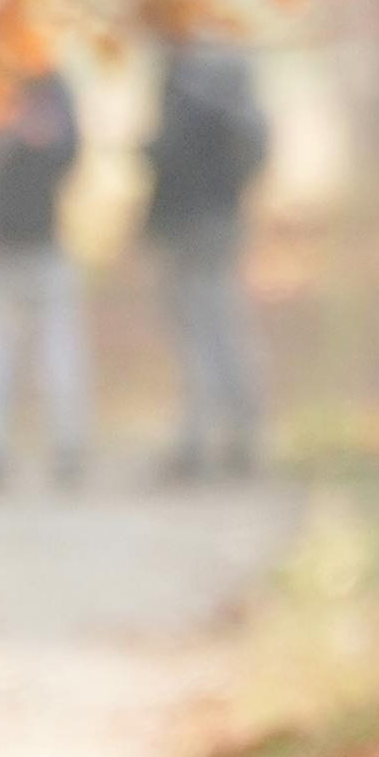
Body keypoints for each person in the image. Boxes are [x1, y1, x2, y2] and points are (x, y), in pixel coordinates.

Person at [138, 31, 272, 478]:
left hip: (190, 223)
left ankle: (201, 440)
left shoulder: (185, 79)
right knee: (225, 324)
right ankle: (242, 434)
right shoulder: (234, 75)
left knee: (198, 330)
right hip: (223, 218)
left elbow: (171, 153)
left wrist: (149, 153)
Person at [0, 55, 89, 484]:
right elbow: (71, 156)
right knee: (44, 348)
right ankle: (49, 445)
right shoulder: (47, 85)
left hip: (5, 240)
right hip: (27, 239)